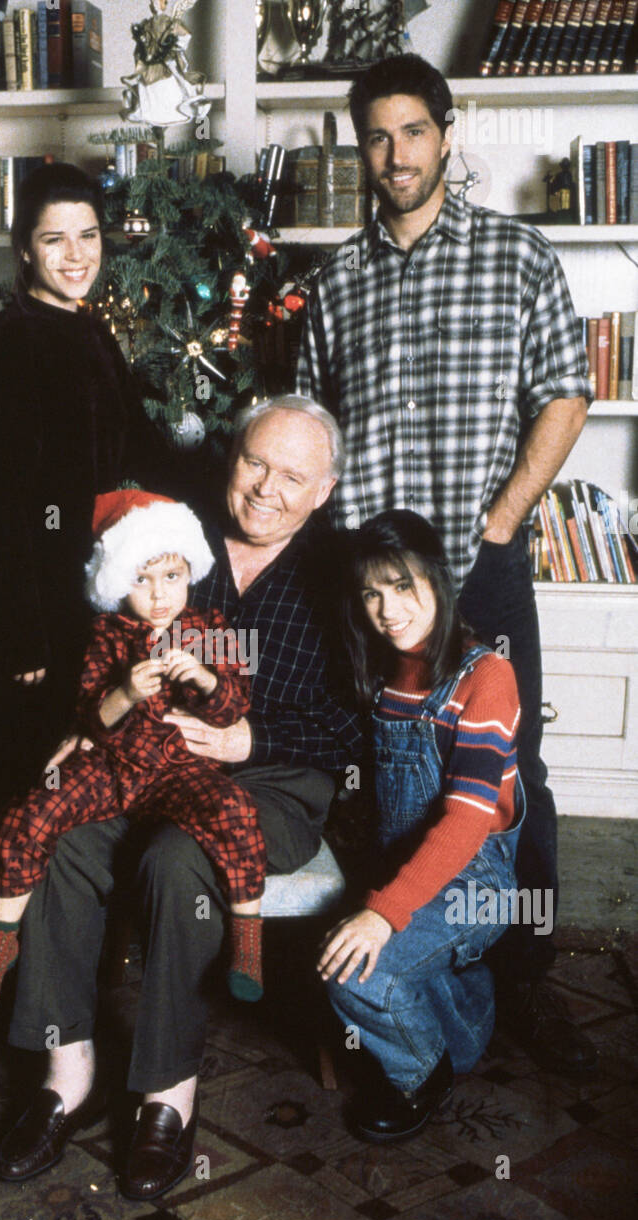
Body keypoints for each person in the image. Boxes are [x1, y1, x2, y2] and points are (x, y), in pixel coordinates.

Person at [296, 53, 596, 1074]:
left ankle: (525, 970)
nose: (394, 155)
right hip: (379, 587)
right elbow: (309, 435)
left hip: (481, 562)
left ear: (445, 132)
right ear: (358, 147)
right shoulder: (331, 284)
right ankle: (417, 949)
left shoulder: (516, 256)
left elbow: (566, 389)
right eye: (376, 137)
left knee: (516, 772)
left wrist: (507, 517)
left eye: (412, 132)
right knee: (390, 770)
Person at [0, 395, 361, 1197]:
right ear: (231, 457)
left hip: (273, 780)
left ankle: (166, 1093)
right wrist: (87, 731)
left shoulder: (340, 574)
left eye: (292, 476)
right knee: (60, 833)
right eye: (254, 462)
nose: (266, 488)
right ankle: (68, 1071)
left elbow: (355, 726)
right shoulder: (172, 544)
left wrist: (249, 741)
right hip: (149, 762)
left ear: (324, 490)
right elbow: (103, 652)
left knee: (177, 858)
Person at [0, 490, 270, 1017]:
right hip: (111, 768)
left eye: (171, 578)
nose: (157, 596)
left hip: (181, 770)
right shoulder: (105, 633)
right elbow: (90, 718)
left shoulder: (216, 629)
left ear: (190, 574)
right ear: (115, 583)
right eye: (140, 580)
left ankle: (246, 945)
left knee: (235, 811)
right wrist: (126, 692)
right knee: (27, 813)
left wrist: (200, 675)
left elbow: (234, 706)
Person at [0, 162, 176, 800]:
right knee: (41, 779)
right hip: (40, 605)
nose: (76, 255)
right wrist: (19, 626)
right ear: (24, 248)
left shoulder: (86, 328)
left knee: (88, 771)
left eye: (88, 236)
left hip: (89, 585)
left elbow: (140, 442)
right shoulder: (12, 341)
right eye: (55, 240)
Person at [320, 510, 524, 1141]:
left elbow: (465, 824)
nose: (388, 609)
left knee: (359, 972)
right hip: (406, 861)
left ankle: (420, 1077)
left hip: (475, 878)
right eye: (372, 594)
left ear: (439, 581)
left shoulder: (487, 676)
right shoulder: (384, 672)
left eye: (402, 586)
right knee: (396, 987)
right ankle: (464, 1011)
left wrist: (383, 912)